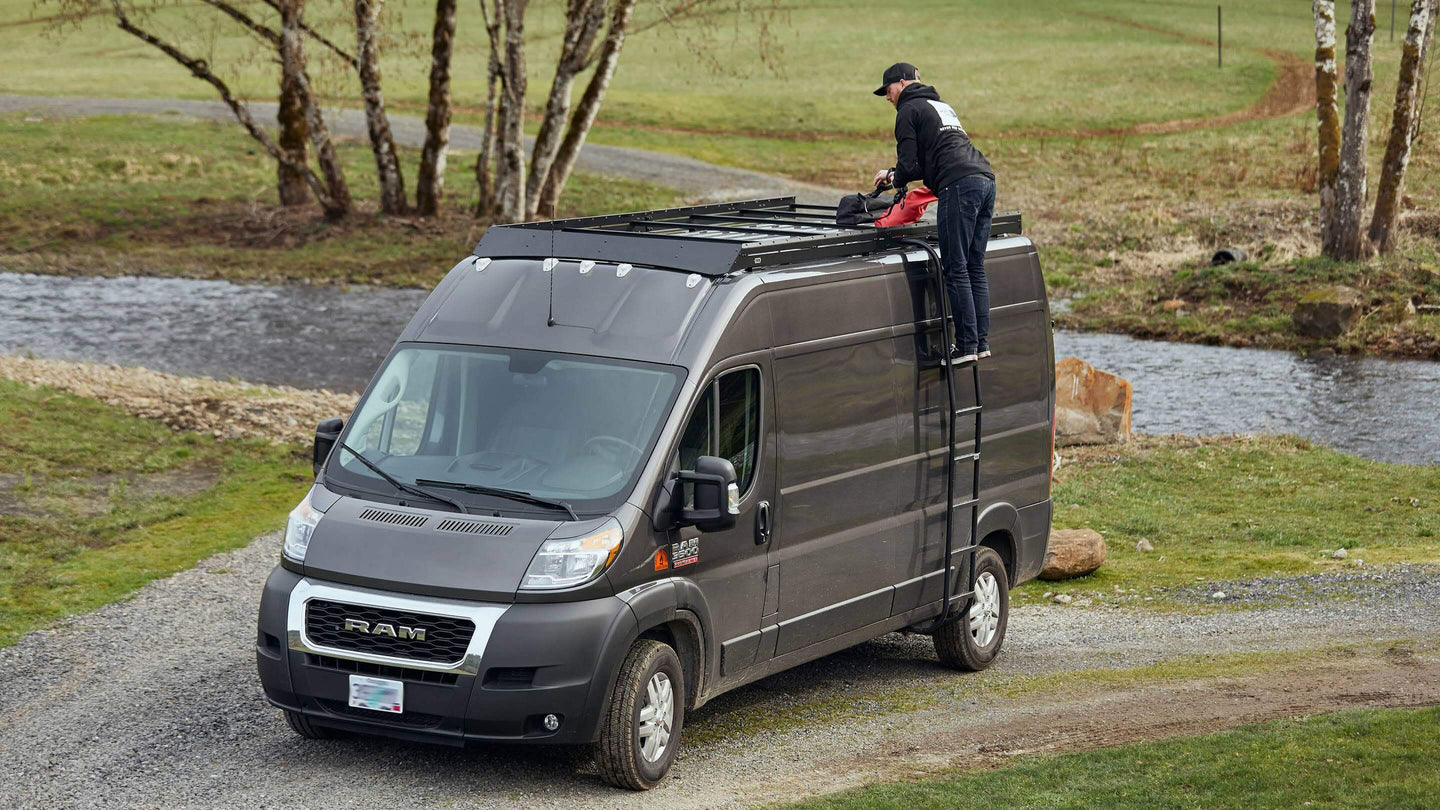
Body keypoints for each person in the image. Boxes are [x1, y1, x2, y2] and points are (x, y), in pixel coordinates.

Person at [872, 62, 996, 362]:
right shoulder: (940, 106)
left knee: (955, 267)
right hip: (985, 179)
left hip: (958, 185)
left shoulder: (907, 111)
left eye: (887, 91)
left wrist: (891, 178)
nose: (888, 98)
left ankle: (966, 347)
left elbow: (910, 165)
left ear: (901, 84)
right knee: (974, 265)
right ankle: (980, 342)